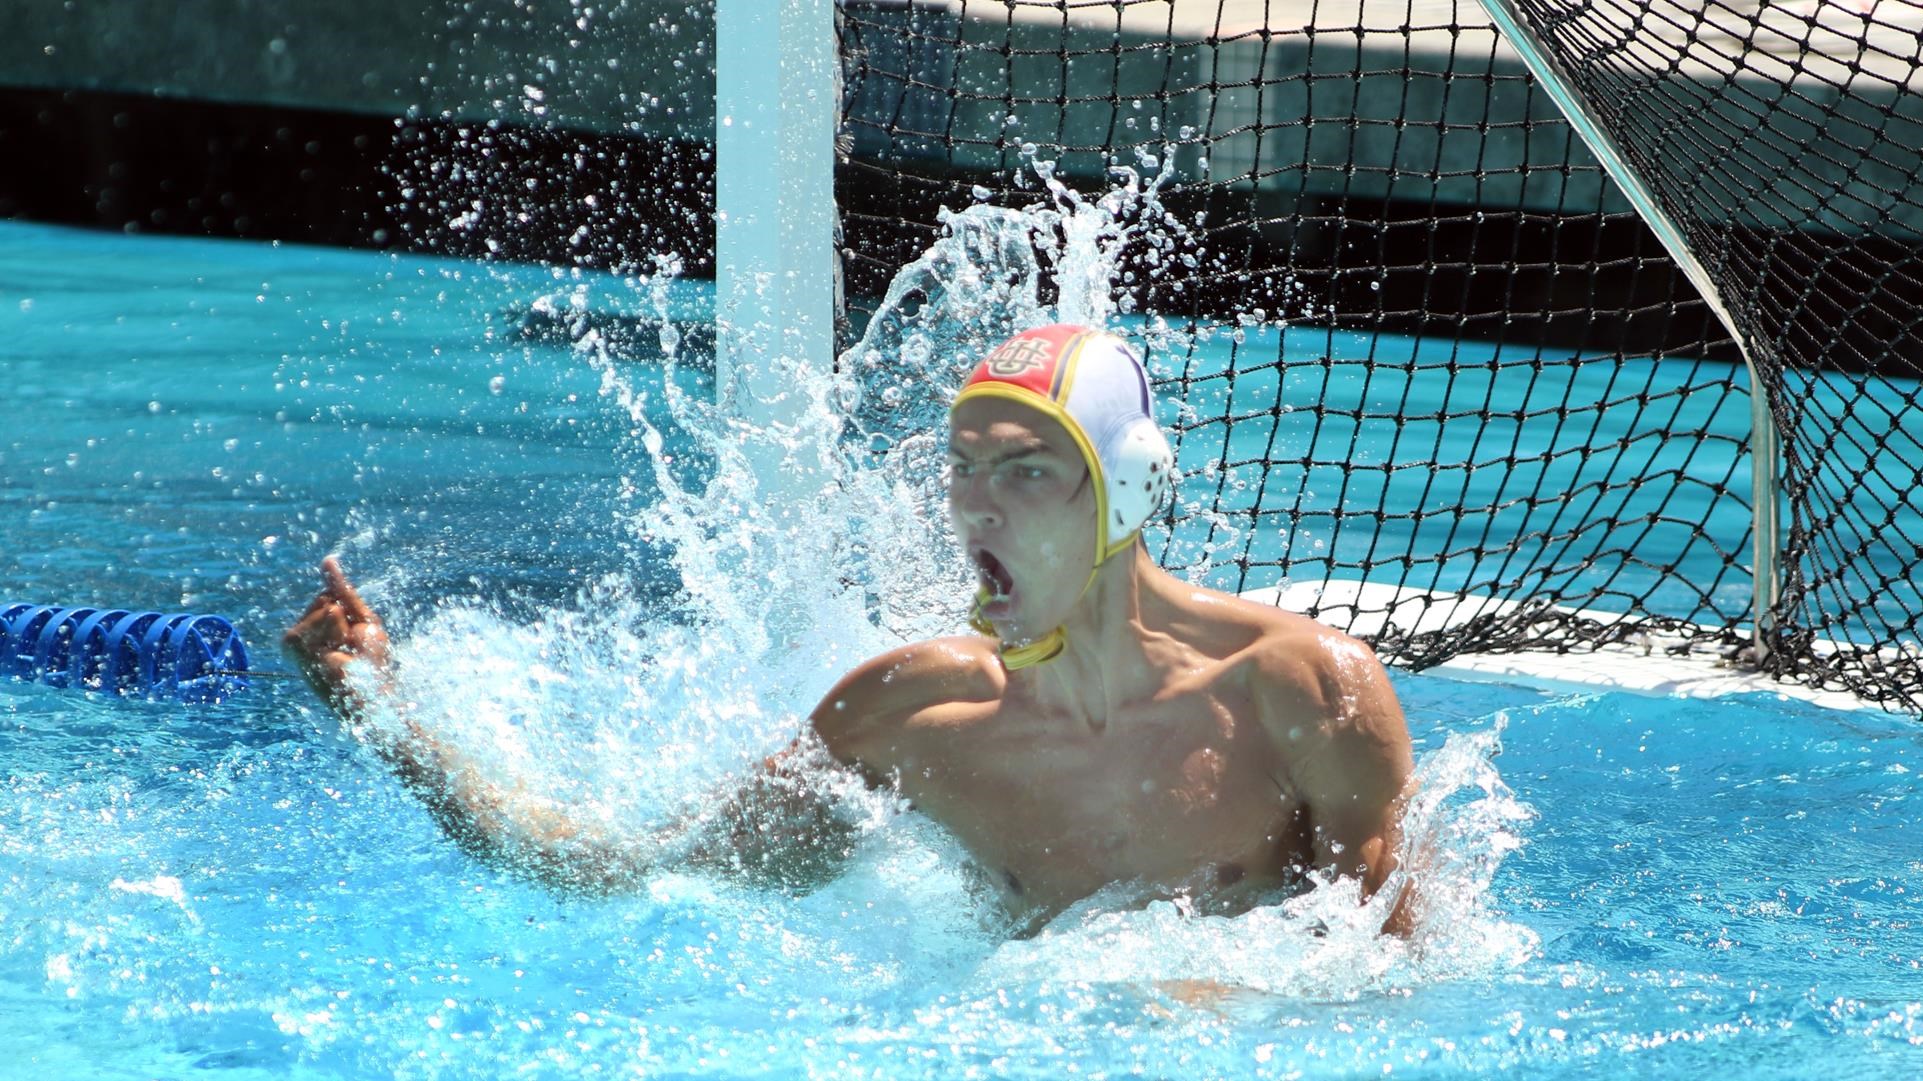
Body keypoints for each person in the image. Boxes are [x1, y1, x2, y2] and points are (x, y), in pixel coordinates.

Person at [286, 324, 1417, 935]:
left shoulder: (1301, 691)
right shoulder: (914, 714)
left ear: (1127, 488)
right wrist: (388, 716)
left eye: (1027, 470)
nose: (978, 505)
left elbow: (1385, 989)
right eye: (963, 467)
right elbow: (619, 871)